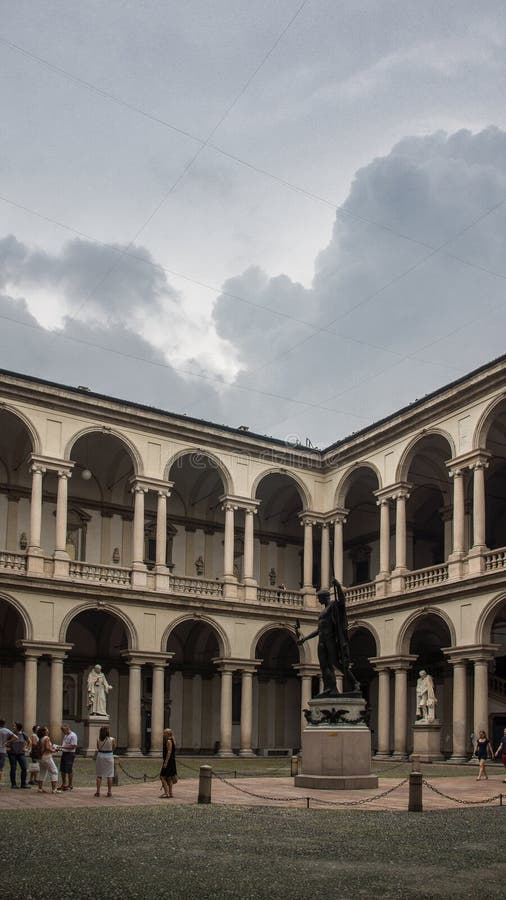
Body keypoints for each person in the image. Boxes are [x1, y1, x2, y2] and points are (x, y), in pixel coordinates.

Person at [297, 578, 360, 695]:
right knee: (324, 665)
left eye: (319, 598)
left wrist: (338, 587)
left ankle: (355, 682)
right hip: (322, 641)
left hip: (330, 640)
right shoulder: (323, 612)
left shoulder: (333, 606)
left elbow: (342, 601)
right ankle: (330, 687)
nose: (318, 600)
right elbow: (319, 630)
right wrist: (305, 639)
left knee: (336, 663)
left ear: (325, 597)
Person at [5, 722, 29, 789]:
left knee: (24, 768)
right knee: (13, 768)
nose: (13, 727)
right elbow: (6, 742)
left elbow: (29, 741)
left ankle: (23, 783)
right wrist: (8, 746)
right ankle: (13, 784)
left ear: (18, 727)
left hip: (21, 753)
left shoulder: (23, 734)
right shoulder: (11, 734)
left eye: (14, 726)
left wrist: (27, 748)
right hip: (12, 753)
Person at [36, 726, 59, 794]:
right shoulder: (46, 738)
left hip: (41, 758)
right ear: (44, 731)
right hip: (47, 757)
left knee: (42, 772)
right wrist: (54, 750)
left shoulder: (40, 738)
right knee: (54, 771)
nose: (48, 730)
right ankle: (54, 789)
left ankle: (40, 788)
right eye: (46, 730)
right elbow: (47, 748)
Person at [95, 725, 115, 797]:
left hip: (100, 756)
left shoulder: (98, 739)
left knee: (99, 774)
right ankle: (109, 792)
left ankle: (98, 791)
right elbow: (113, 748)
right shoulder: (112, 739)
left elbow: (98, 748)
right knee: (109, 775)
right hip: (109, 756)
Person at [57, 724, 78, 791]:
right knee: (62, 769)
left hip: (70, 754)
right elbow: (65, 744)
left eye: (63, 730)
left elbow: (73, 746)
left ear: (67, 729)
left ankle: (70, 785)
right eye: (62, 731)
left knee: (69, 769)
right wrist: (60, 748)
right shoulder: (66, 735)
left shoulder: (73, 735)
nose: (63, 732)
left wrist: (62, 747)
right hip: (64, 753)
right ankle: (64, 784)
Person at [159, 728, 177, 798]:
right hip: (172, 761)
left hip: (168, 761)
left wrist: (166, 762)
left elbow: (169, 752)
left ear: (167, 734)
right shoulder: (172, 740)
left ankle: (166, 793)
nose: (163, 734)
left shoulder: (169, 741)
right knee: (169, 777)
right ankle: (170, 793)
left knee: (162, 776)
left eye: (164, 733)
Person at [0, 719, 14, 785]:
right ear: (4, 724)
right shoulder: (6, 730)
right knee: (0, 768)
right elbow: (16, 737)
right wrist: (8, 742)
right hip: (2, 750)